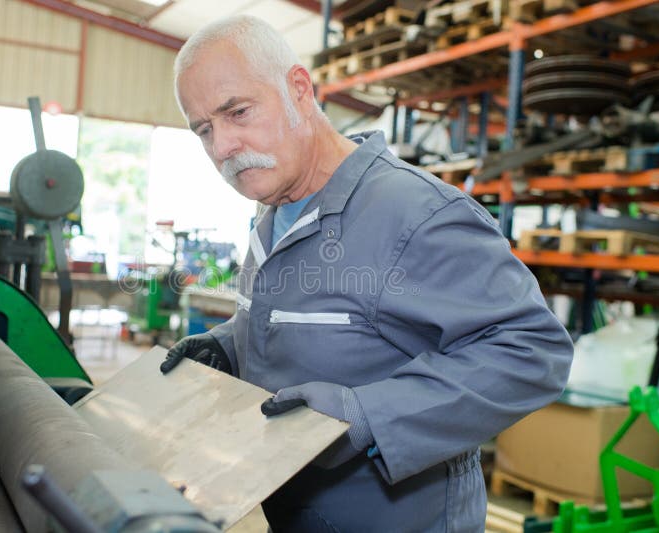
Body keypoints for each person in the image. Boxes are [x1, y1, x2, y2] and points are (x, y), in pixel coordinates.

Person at [161, 14, 574, 533]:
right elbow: (324, 319)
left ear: (299, 89)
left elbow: (533, 351)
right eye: (204, 130)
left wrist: (368, 413)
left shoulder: (418, 215)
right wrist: (230, 343)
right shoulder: (275, 207)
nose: (222, 146)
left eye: (237, 112)